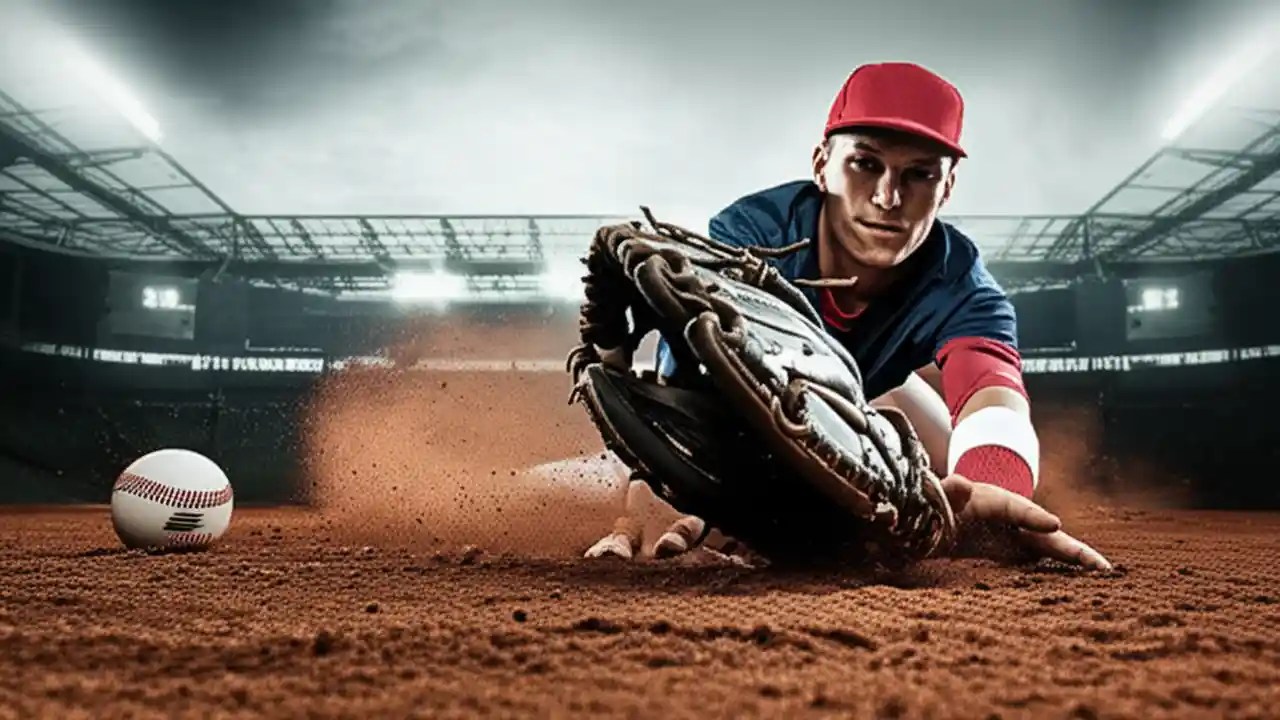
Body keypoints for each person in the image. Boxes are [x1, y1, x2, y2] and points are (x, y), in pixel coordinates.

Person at [583, 61, 1111, 570]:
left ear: (947, 187)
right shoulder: (753, 237)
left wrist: (987, 495)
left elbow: (993, 401)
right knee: (612, 478)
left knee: (954, 477)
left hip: (867, 398)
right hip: (747, 411)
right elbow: (694, 378)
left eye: (919, 174)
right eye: (866, 163)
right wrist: (673, 482)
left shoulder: (965, 286)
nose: (888, 196)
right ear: (821, 164)